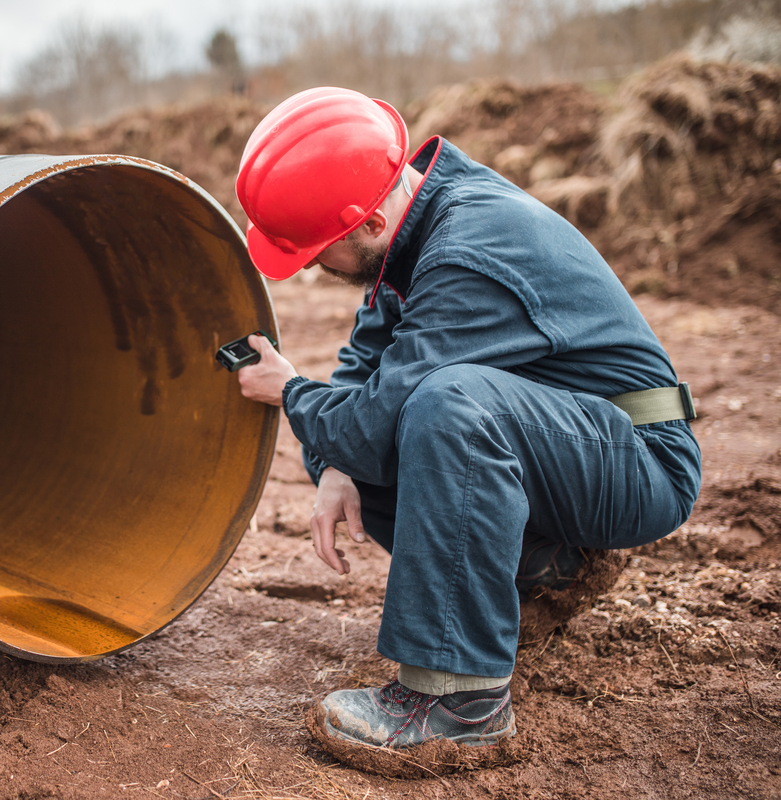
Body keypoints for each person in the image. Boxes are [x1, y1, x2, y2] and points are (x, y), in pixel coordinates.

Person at [232, 87, 702, 765]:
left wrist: (293, 394)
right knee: (362, 434)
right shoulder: (415, 218)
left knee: (447, 407)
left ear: (365, 224)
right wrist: (333, 458)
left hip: (638, 459)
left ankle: (459, 700)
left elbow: (375, 421)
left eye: (314, 251)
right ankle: (544, 564)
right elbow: (365, 367)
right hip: (563, 444)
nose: (306, 266)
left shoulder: (466, 253)